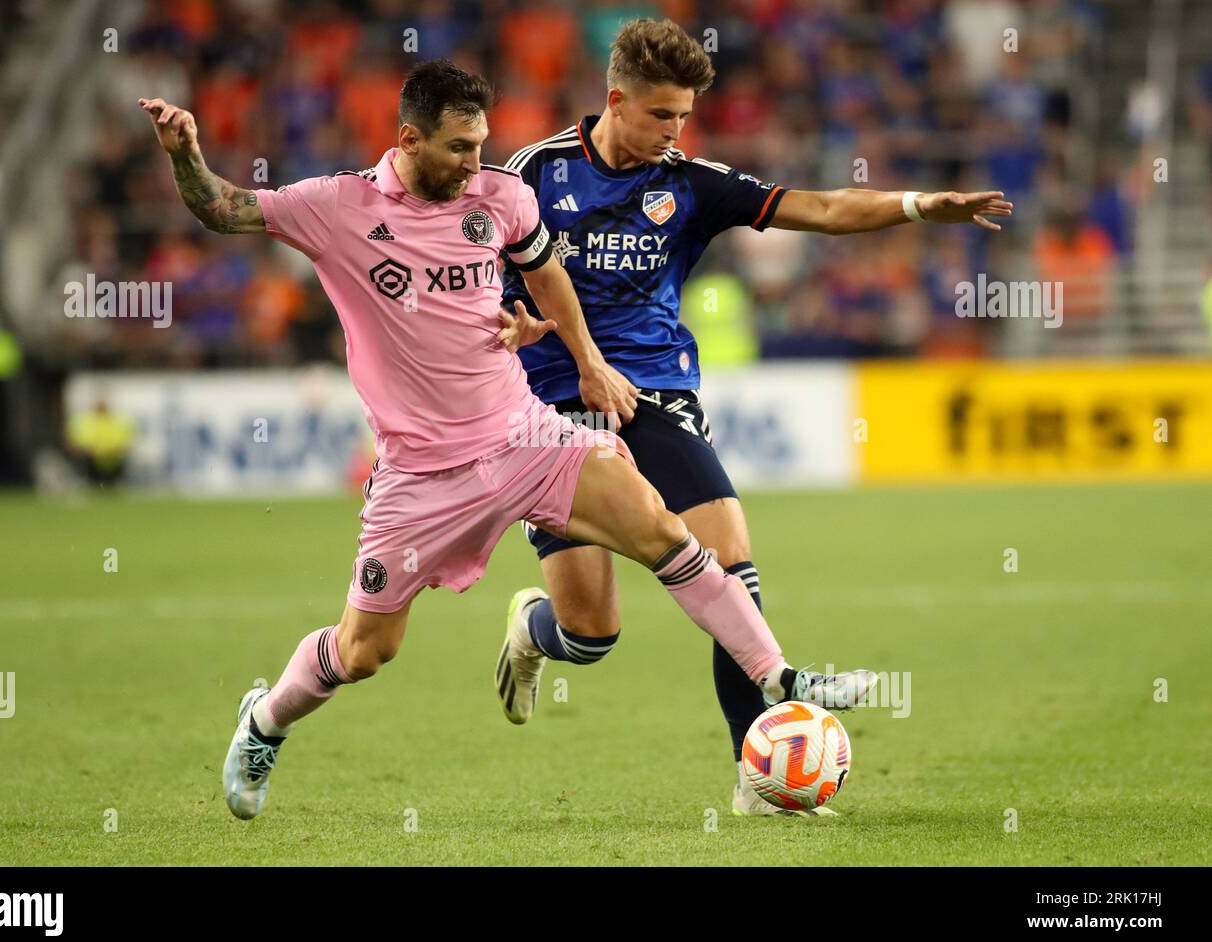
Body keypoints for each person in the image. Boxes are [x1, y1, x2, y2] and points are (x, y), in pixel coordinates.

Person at [141, 60, 878, 821]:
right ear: (409, 139)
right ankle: (266, 722)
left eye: (482, 144)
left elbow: (549, 275)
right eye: (459, 148)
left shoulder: (503, 198)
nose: (475, 163)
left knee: (664, 531)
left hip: (525, 435)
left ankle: (778, 678)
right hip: (421, 477)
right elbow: (223, 209)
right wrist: (184, 155)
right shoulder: (337, 206)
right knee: (365, 654)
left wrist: (586, 363)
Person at [497, 18, 1013, 816]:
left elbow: (822, 209)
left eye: (685, 116)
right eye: (662, 114)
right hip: (554, 407)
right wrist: (511, 326)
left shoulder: (691, 183)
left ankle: (757, 775)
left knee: (728, 553)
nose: (676, 131)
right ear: (616, 99)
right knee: (592, 634)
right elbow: (475, 270)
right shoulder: (535, 173)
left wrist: (916, 205)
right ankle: (537, 632)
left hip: (654, 392)